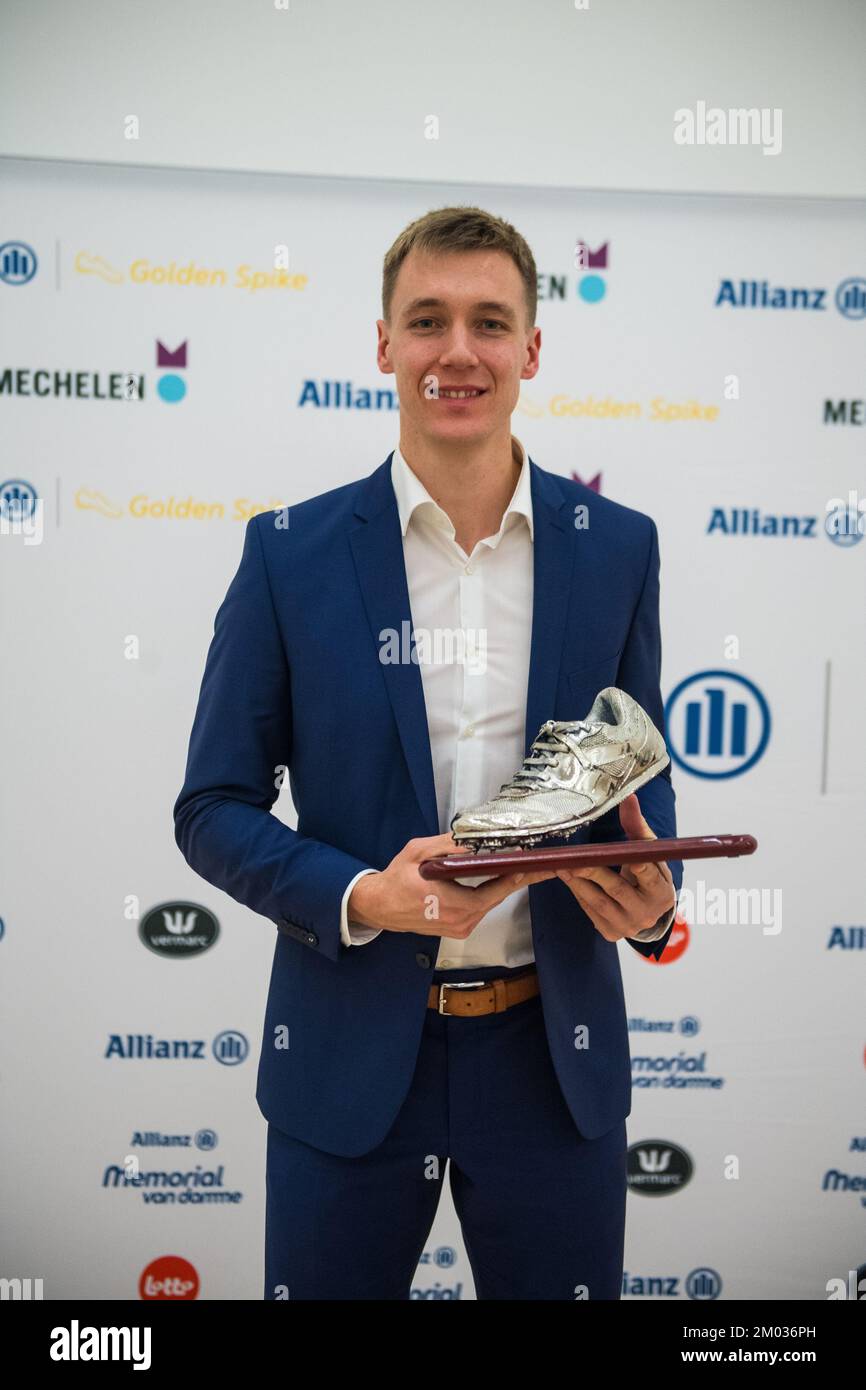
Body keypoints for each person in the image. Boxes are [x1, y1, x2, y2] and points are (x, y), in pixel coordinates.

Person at [173, 205, 681, 1301]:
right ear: (382, 344)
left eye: (489, 322)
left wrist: (652, 903)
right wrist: (365, 893)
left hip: (551, 1066)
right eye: (427, 320)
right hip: (347, 1060)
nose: (458, 351)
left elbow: (637, 787)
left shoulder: (618, 551)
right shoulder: (287, 555)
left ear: (531, 350)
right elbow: (213, 805)